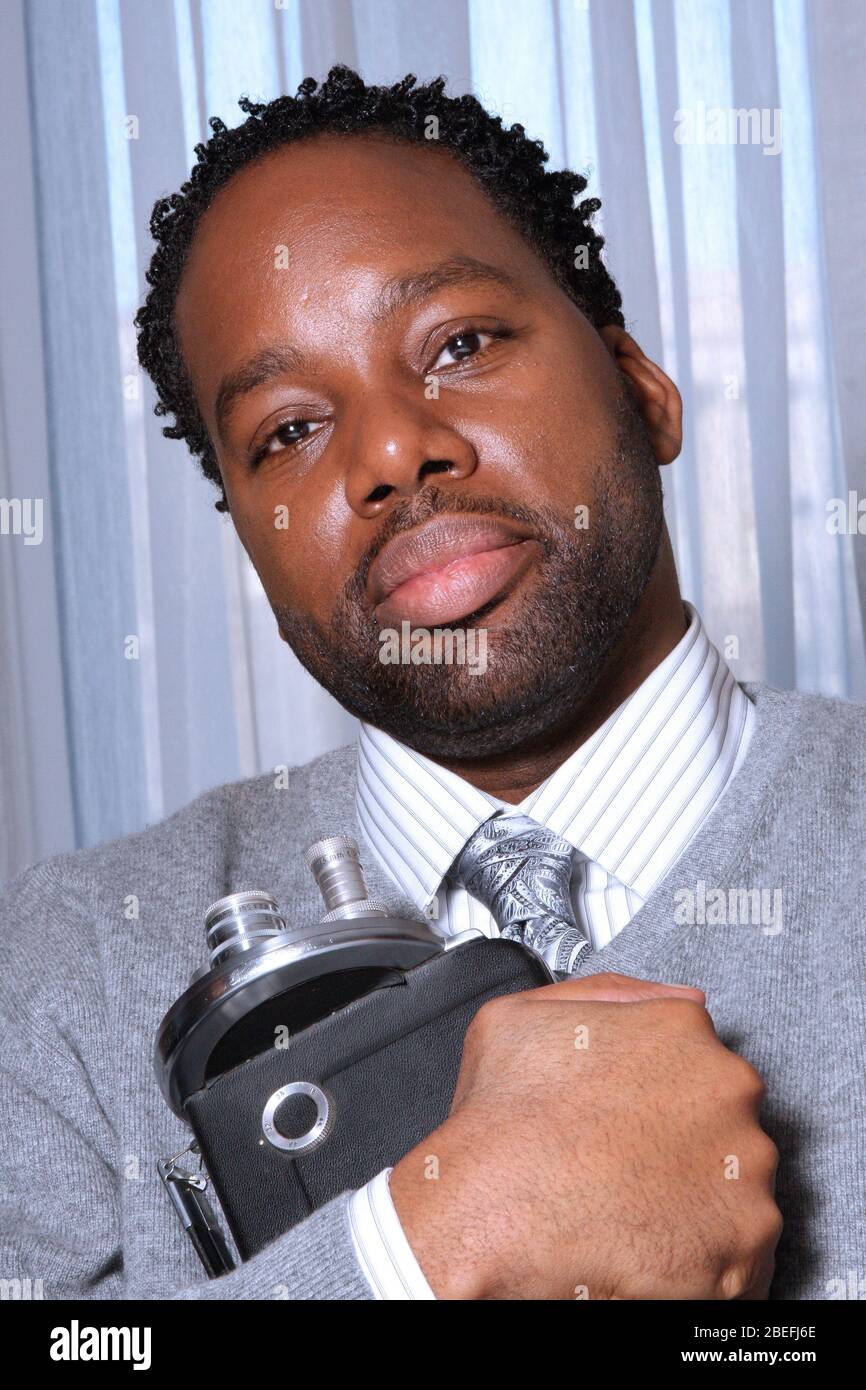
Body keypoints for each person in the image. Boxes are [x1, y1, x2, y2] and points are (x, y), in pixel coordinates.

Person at [1, 66, 862, 1302]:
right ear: (247, 532)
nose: (392, 449)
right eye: (288, 430)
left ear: (640, 386)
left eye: (458, 344)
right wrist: (417, 1253)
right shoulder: (69, 970)